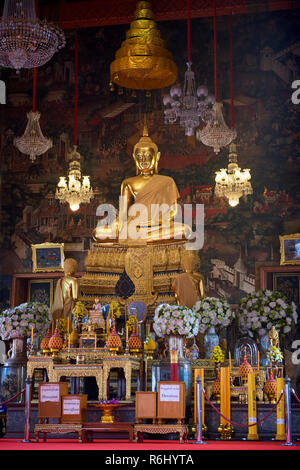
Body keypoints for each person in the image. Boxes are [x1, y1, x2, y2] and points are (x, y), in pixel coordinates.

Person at [93, 116, 192, 244]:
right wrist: (119, 223)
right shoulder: (128, 183)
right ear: (134, 158)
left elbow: (173, 211)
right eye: (139, 157)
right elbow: (123, 215)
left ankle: (141, 240)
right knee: (98, 233)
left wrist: (154, 220)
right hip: (133, 226)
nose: (143, 161)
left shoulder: (167, 181)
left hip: (158, 226)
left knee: (185, 230)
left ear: (157, 157)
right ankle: (146, 240)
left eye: (147, 156)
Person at [52, 258, 79, 323]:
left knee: (62, 323)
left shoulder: (60, 281)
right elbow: (75, 297)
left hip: (62, 305)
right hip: (70, 306)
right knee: (69, 324)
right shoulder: (74, 280)